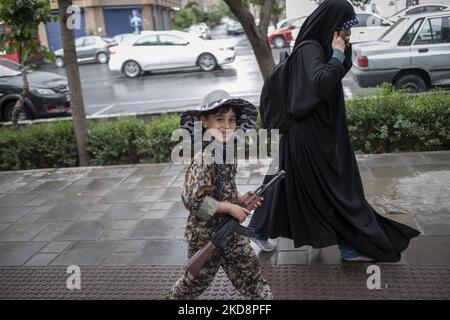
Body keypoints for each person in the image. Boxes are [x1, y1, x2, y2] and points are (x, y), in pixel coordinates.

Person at [250, 0, 420, 262]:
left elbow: (336, 74)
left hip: (313, 134)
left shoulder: (319, 47)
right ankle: (349, 247)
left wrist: (341, 50)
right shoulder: (309, 50)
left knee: (285, 184)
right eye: (345, 28)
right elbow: (320, 83)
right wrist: (338, 53)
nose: (349, 33)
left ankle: (258, 229)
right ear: (331, 26)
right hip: (309, 137)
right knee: (332, 191)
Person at [167, 90, 272, 299]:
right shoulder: (205, 159)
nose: (227, 126)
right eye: (220, 119)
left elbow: (222, 187)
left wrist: (240, 199)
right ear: (204, 122)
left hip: (230, 233)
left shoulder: (225, 151)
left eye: (232, 120)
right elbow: (195, 201)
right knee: (192, 285)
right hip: (207, 237)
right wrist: (229, 207)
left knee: (253, 279)